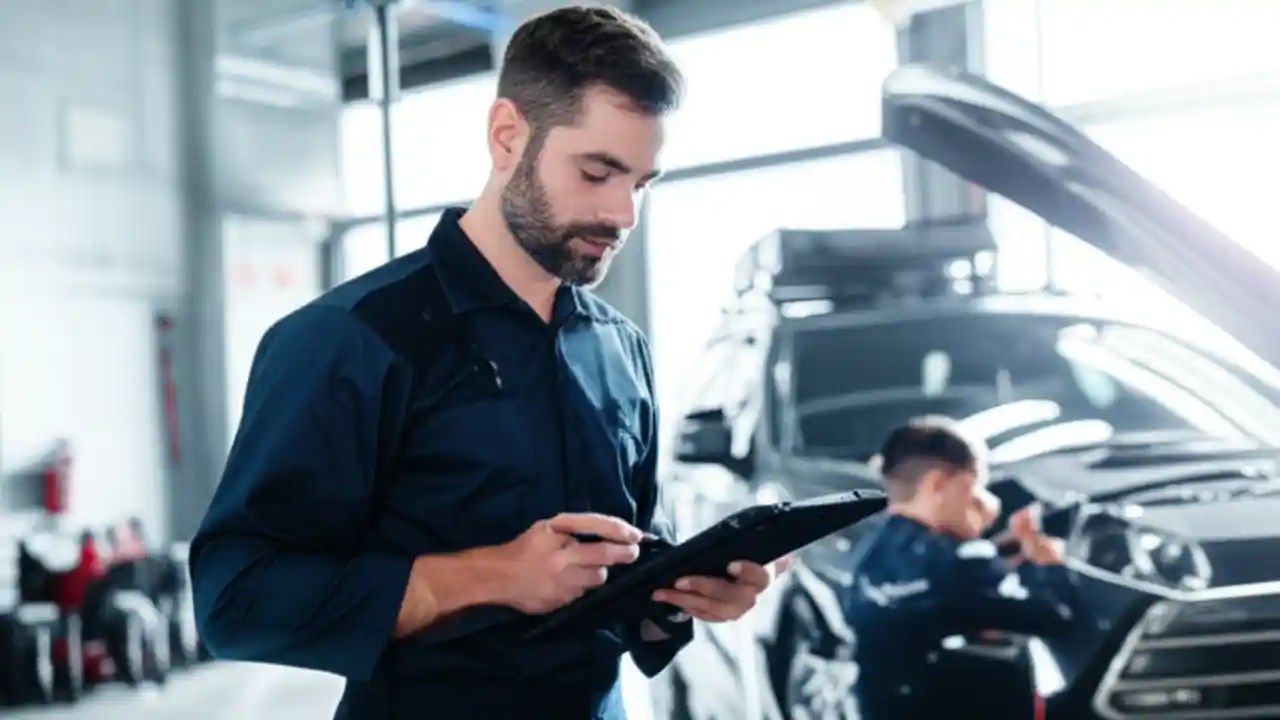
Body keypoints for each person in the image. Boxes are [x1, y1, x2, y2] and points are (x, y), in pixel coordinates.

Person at [187, 6, 783, 719]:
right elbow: (235, 599)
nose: (623, 214)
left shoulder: (620, 350)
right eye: (597, 172)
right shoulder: (349, 339)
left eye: (641, 183)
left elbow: (616, 587)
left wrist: (681, 595)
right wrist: (487, 575)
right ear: (507, 136)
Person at [843, 416, 1078, 719]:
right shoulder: (955, 565)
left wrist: (996, 554)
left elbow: (946, 600)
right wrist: (1046, 562)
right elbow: (1053, 616)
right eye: (974, 484)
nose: (985, 503)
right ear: (938, 484)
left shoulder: (869, 556)